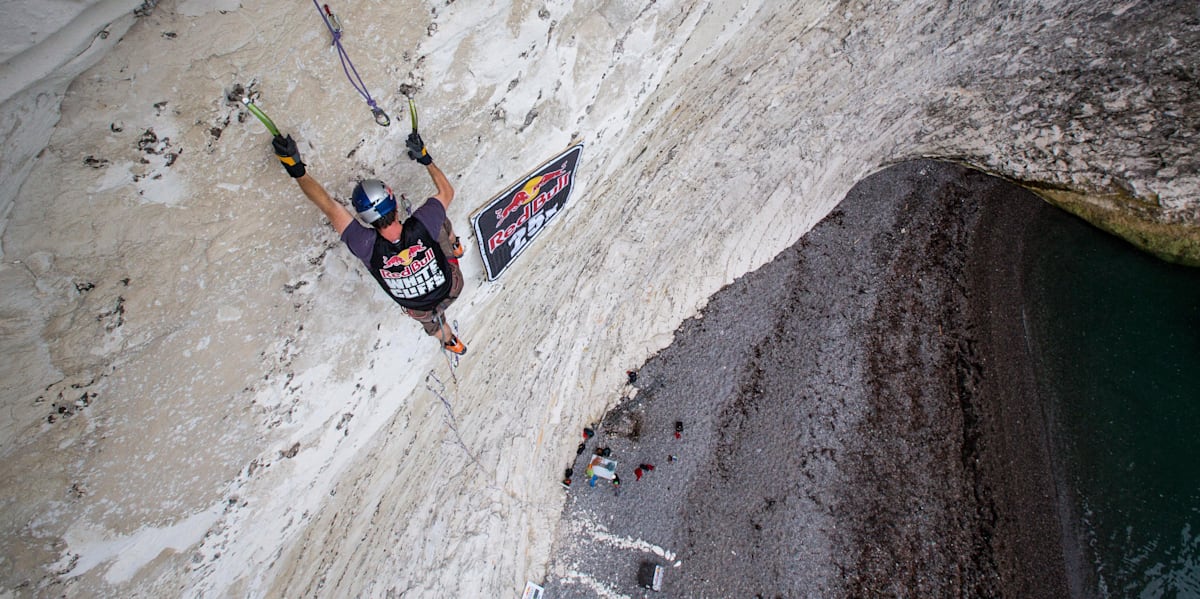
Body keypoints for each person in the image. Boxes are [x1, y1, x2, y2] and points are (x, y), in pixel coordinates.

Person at [271, 131, 468, 355]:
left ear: (364, 218)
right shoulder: (423, 223)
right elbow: (447, 192)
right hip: (453, 287)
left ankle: (450, 340)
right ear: (394, 204)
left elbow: (328, 205)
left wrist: (297, 170)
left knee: (430, 319)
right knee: (440, 221)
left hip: (420, 309)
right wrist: (425, 157)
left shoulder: (365, 244)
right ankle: (454, 245)